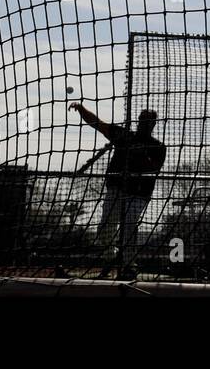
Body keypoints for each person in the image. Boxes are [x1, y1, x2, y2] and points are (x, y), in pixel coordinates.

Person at [69, 104, 167, 279]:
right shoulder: (124, 135)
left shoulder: (157, 146)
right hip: (115, 190)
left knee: (129, 225)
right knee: (104, 229)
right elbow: (98, 124)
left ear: (153, 124)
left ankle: (129, 265)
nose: (144, 124)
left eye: (148, 121)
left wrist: (140, 154)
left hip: (138, 193)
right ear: (138, 121)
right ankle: (111, 258)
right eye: (142, 120)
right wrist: (82, 109)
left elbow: (153, 168)